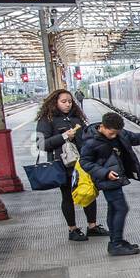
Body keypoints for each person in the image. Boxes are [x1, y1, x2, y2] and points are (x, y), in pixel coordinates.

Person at [78, 112, 140, 257]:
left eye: (116, 133)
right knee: (121, 208)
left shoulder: (118, 133)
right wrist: (105, 173)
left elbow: (138, 138)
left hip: (114, 178)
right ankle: (116, 243)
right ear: (103, 127)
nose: (114, 136)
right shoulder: (91, 141)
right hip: (106, 179)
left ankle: (116, 241)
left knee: (114, 208)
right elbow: (84, 162)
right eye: (111, 133)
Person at [34, 88, 103, 242]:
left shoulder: (77, 117)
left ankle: (92, 226)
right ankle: (72, 229)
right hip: (63, 164)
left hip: (83, 163)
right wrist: (63, 136)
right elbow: (40, 144)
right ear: (55, 103)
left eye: (70, 102)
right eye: (63, 102)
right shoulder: (46, 120)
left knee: (89, 192)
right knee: (67, 197)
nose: (67, 105)